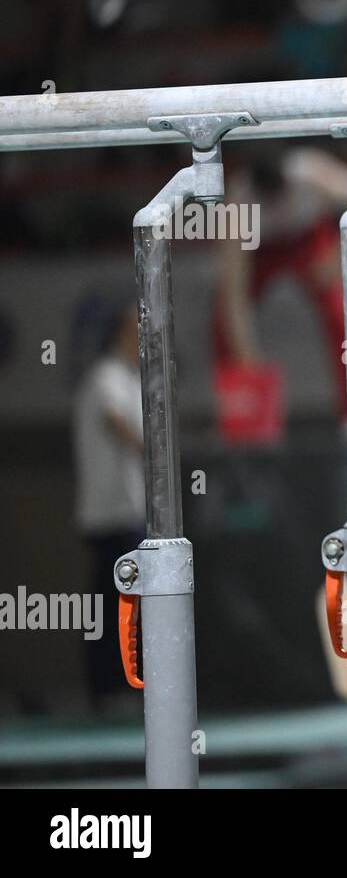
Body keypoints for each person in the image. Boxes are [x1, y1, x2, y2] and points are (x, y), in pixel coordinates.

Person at [213, 141, 347, 421]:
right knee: (222, 327)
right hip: (262, 252)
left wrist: (341, 254)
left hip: (309, 242)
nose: (277, 208)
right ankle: (244, 416)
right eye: (270, 203)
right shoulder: (239, 202)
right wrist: (248, 358)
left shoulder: (311, 173)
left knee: (341, 314)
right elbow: (234, 294)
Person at [72, 295, 145, 712]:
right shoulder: (104, 378)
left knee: (129, 605)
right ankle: (107, 688)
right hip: (108, 515)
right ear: (120, 332)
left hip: (130, 511)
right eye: (136, 329)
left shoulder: (132, 380)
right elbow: (120, 428)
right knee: (110, 604)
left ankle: (124, 685)